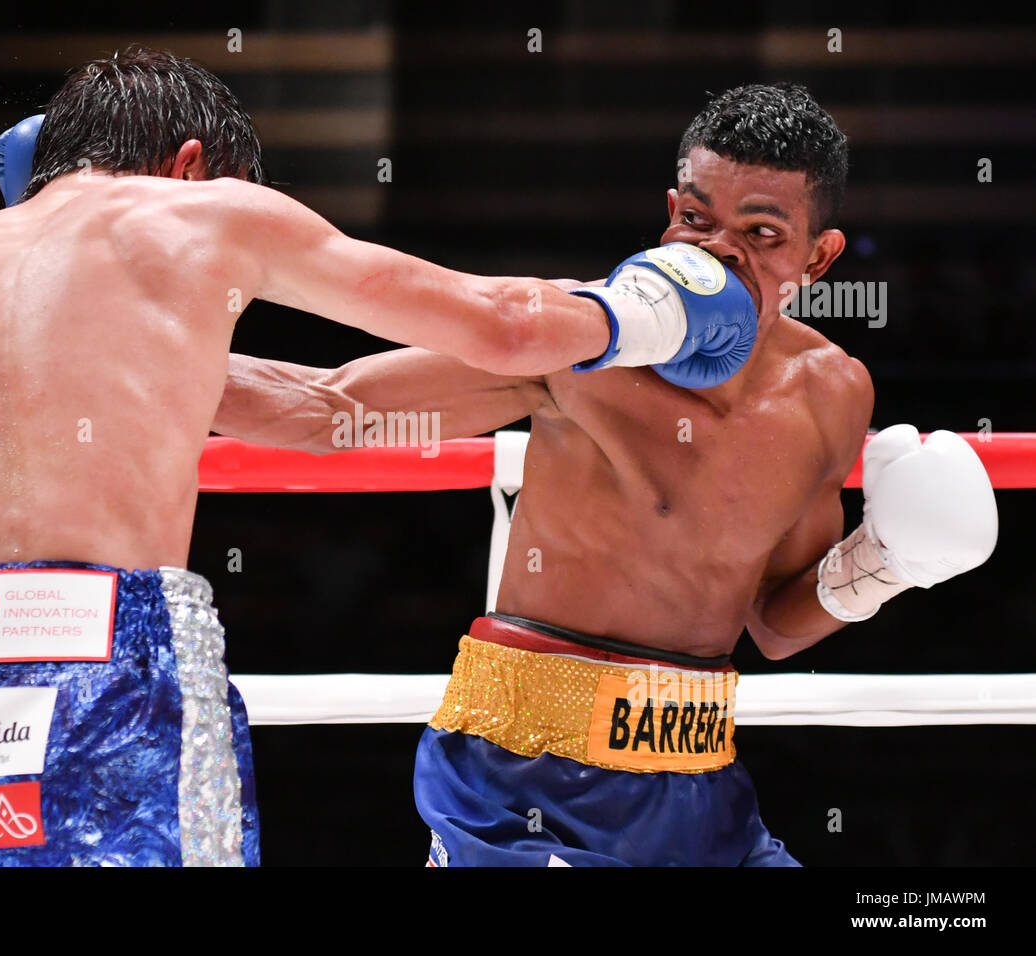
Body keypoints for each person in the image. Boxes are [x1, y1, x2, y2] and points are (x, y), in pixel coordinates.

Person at [0, 46, 752, 867]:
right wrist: (648, 311)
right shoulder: (204, 214)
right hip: (104, 668)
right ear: (192, 166)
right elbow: (503, 329)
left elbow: (309, 409)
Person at [213, 82, 999, 866]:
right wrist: (124, 363)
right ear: (668, 213)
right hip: (522, 783)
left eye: (761, 233)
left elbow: (775, 621)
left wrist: (886, 568)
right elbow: (326, 406)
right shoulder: (574, 342)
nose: (719, 253)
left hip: (701, 789)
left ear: (819, 257)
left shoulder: (832, 393)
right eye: (697, 220)